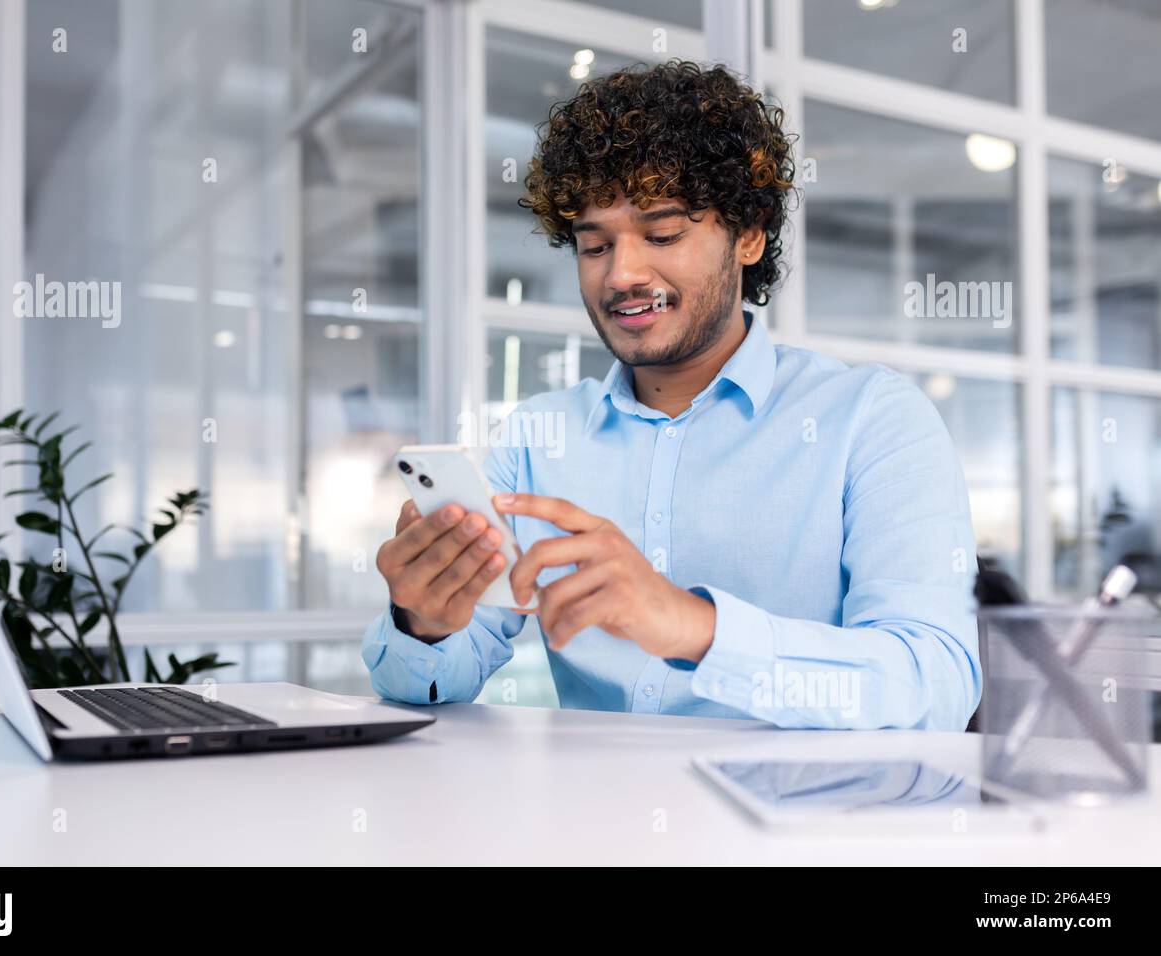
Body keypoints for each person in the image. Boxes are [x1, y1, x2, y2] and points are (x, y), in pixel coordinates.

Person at [362, 61, 981, 730]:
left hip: (804, 827)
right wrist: (424, 622)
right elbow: (431, 683)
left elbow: (936, 681)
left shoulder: (873, 420)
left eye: (662, 235)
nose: (623, 274)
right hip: (600, 824)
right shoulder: (537, 438)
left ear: (749, 233)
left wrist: (695, 627)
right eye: (594, 245)